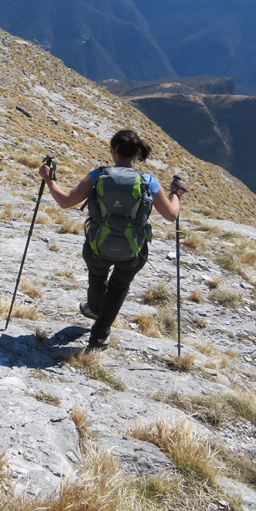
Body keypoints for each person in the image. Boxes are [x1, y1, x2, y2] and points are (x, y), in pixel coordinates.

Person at [37, 130, 186, 350]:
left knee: (97, 278)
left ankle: (95, 308)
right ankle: (99, 335)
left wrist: (49, 180)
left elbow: (65, 201)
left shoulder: (98, 175)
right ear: (137, 153)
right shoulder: (149, 181)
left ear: (113, 151)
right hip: (133, 249)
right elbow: (171, 215)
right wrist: (176, 194)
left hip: (97, 244)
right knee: (118, 288)